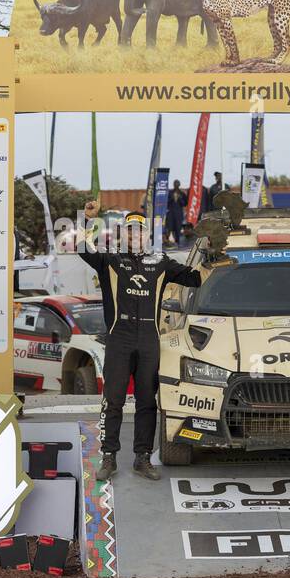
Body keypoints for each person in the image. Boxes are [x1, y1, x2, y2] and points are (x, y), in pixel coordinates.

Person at [79, 203, 202, 482]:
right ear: (124, 235)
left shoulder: (160, 262)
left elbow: (195, 278)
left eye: (140, 232)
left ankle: (142, 458)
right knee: (113, 401)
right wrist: (87, 219)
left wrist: (214, 254)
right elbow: (83, 249)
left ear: (148, 237)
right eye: (131, 232)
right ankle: (108, 457)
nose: (136, 236)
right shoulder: (109, 260)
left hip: (149, 338)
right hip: (119, 336)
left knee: (147, 401)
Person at [165, 179, 187, 246]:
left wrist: (180, 199)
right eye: (175, 184)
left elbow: (185, 204)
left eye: (177, 184)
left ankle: (178, 242)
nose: (176, 185)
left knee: (178, 228)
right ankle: (167, 242)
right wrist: (172, 198)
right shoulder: (170, 192)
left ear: (179, 185)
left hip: (178, 214)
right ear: (173, 184)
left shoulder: (182, 193)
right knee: (169, 228)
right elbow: (166, 202)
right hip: (171, 214)